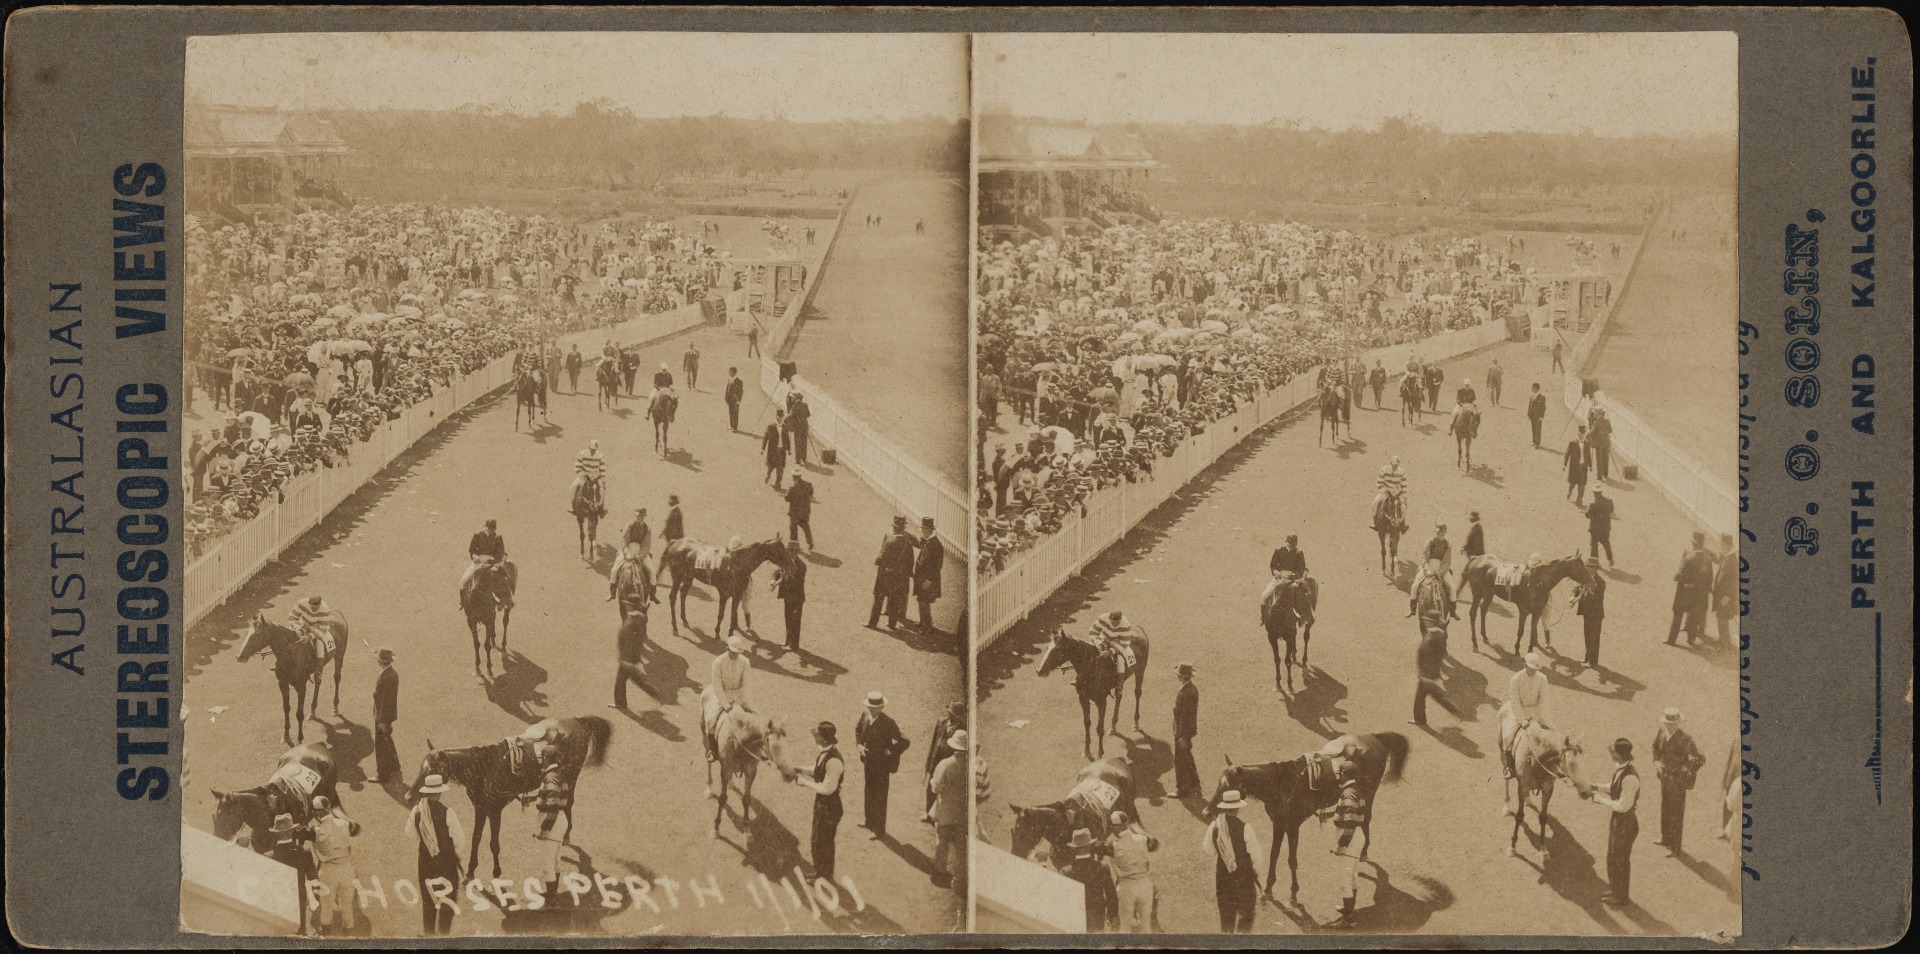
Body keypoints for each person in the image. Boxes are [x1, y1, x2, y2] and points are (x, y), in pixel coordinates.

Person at [406, 774, 465, 935]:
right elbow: (460, 841)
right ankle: (443, 936)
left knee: (428, 901)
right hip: (446, 864)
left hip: (425, 863)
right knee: (448, 901)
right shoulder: (448, 812)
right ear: (440, 792)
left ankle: (429, 935)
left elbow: (410, 834)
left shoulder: (417, 811)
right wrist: (455, 855)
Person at [1587, 738, 1640, 907]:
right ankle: (1615, 889)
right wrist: (1596, 786)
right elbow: (1613, 787)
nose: (1611, 755)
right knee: (1612, 856)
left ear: (1621, 755)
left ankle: (1621, 897)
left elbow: (1622, 806)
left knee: (1620, 860)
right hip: (1618, 821)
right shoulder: (1621, 769)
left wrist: (1601, 800)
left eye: (1614, 753)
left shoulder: (1630, 778)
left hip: (1625, 822)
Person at [791, 721, 845, 882]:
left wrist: (804, 782)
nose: (815, 737)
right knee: (816, 840)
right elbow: (817, 770)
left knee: (824, 843)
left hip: (830, 806)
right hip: (822, 805)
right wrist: (799, 769)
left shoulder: (834, 762)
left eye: (818, 735)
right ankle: (820, 872)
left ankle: (825, 876)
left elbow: (826, 789)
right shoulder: (825, 753)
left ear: (824, 739)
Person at [854, 692, 911, 840]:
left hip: (881, 766)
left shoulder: (889, 723)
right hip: (867, 762)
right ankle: (868, 821)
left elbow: (905, 741)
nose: (873, 710)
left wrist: (891, 751)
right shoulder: (864, 716)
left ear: (882, 707)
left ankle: (879, 830)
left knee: (879, 796)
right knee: (868, 790)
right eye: (871, 707)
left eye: (877, 707)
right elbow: (858, 731)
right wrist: (860, 746)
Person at [1204, 789, 1260, 933]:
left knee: (1226, 919)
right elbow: (1256, 856)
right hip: (1244, 880)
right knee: (1246, 917)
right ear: (1238, 808)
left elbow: (1209, 850)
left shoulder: (1215, 827)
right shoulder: (1246, 828)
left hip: (1223, 879)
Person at [1652, 707, 1705, 856]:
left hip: (1678, 781)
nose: (1671, 726)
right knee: (1665, 807)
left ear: (1679, 723)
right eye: (1668, 723)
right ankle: (1665, 838)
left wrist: (1686, 768)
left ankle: (1675, 847)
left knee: (1676, 813)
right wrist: (1656, 762)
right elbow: (1655, 748)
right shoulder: (1661, 732)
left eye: (1673, 724)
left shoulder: (1685, 739)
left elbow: (1699, 758)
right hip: (1664, 778)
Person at [610, 544, 657, 710]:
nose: (641, 516)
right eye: (639, 514)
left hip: (640, 554)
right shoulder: (630, 527)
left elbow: (647, 541)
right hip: (628, 553)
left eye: (642, 514)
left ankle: (654, 590)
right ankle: (612, 588)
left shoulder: (631, 622)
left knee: (651, 571)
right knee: (615, 569)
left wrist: (641, 554)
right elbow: (626, 539)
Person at [307, 795, 358, 936]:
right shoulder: (344, 823)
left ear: (317, 812)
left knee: (327, 905)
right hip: (347, 868)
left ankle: (327, 934)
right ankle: (349, 935)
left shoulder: (315, 831)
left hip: (328, 870)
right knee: (348, 905)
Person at [1327, 764, 1370, 929]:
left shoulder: (1347, 792)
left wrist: (1342, 845)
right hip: (1357, 836)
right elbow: (1350, 812)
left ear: (1344, 774)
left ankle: (1349, 919)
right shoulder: (1356, 789)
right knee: (1352, 875)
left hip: (1349, 837)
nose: (1338, 775)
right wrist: (1332, 814)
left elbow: (1350, 820)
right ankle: (1349, 908)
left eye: (1339, 773)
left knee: (1345, 878)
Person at [929, 729, 971, 890]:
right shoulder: (971, 766)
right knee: (961, 847)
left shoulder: (946, 764)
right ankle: (959, 879)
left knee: (942, 842)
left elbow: (936, 788)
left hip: (945, 810)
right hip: (963, 813)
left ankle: (940, 871)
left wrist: (933, 782)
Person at [263, 813, 317, 936]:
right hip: (300, 897)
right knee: (300, 929)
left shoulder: (269, 855)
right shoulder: (305, 851)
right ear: (292, 831)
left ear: (276, 834)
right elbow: (313, 878)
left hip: (278, 898)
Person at [1106, 809, 1156, 933]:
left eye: (1112, 827)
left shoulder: (1112, 845)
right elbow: (1155, 844)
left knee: (1125, 926)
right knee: (1145, 926)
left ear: (1116, 828)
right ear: (1126, 823)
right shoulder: (1143, 839)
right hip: (1145, 883)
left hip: (1127, 886)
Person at [1502, 652, 1551, 777]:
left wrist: (1542, 718)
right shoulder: (1515, 679)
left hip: (1536, 711)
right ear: (1524, 665)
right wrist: (1522, 720)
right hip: (1520, 711)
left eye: (1536, 669)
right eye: (1531, 668)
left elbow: (1544, 700)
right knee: (1508, 736)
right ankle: (1509, 767)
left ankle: (1556, 766)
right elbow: (1514, 701)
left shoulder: (1542, 678)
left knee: (1553, 732)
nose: (1534, 671)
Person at [1059, 828, 1113, 933]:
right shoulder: (1103, 867)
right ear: (1090, 846)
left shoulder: (1066, 871)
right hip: (1098, 915)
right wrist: (1112, 915)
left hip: (1075, 918)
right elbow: (1111, 894)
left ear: (1074, 849)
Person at [1668, 531, 1716, 646]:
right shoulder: (1707, 560)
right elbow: (1710, 578)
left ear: (1693, 544)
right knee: (1694, 616)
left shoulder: (1688, 557)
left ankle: (1671, 640)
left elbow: (1679, 575)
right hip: (1698, 594)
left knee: (1678, 615)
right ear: (1702, 545)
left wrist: (1676, 577)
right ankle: (1691, 640)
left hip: (1684, 592)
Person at [868, 515, 915, 631]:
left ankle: (872, 623)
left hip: (885, 575)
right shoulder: (907, 543)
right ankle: (892, 624)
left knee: (878, 599)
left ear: (894, 527)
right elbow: (910, 561)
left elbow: (880, 559)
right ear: (903, 528)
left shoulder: (889, 540)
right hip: (898, 577)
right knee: (894, 600)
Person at [924, 700, 967, 819]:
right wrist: (929, 762)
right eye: (949, 713)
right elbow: (933, 743)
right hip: (936, 760)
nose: (950, 716)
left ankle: (938, 815)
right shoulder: (941, 722)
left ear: (959, 716)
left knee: (944, 790)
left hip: (948, 763)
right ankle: (928, 813)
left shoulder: (963, 729)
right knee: (930, 788)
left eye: (954, 715)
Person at [1410, 625, 1457, 726]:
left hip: (1426, 676)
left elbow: (1427, 660)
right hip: (1428, 676)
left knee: (1420, 698)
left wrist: (1425, 675)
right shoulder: (1434, 642)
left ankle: (1420, 719)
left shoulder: (1430, 643)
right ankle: (1452, 709)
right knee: (1434, 695)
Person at [772, 539, 808, 651]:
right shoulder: (786, 561)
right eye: (788, 550)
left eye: (792, 551)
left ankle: (794, 646)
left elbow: (796, 582)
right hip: (788, 597)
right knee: (788, 619)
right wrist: (774, 579)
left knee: (795, 622)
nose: (790, 553)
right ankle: (788, 641)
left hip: (796, 598)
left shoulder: (801, 565)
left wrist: (783, 578)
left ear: (796, 552)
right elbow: (777, 571)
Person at [371, 648, 400, 782]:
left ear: (381, 662)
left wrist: (381, 721)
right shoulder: (391, 673)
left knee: (381, 744)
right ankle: (395, 766)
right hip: (387, 716)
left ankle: (383, 774)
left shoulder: (386, 677)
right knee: (387, 739)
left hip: (382, 718)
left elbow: (384, 700)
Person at [1172, 663, 1201, 797]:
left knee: (1180, 760)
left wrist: (1181, 736)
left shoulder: (1187, 692)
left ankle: (1182, 789)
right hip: (1184, 731)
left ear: (1181, 677)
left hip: (1182, 732)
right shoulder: (1190, 689)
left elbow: (1185, 716)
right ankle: (1194, 782)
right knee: (1187, 756)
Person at [1575, 557, 1609, 671]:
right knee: (1587, 636)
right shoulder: (1585, 578)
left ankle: (1592, 662)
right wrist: (1573, 596)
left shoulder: (1600, 582)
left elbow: (1598, 599)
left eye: (1589, 567)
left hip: (1595, 615)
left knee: (1594, 638)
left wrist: (1587, 590)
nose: (1587, 569)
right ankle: (1587, 658)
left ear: (1594, 568)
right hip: (1587, 613)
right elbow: (1576, 588)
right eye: (1587, 567)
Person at [912, 517, 945, 632]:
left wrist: (929, 581)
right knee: (921, 600)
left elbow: (937, 566)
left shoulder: (936, 545)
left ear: (928, 530)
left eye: (923, 529)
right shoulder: (927, 541)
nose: (921, 531)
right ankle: (923, 622)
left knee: (924, 602)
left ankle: (927, 626)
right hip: (922, 577)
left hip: (928, 580)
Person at [1712, 533, 1740, 648]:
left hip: (1725, 598)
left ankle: (1725, 644)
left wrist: (1727, 597)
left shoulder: (1733, 560)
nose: (1720, 546)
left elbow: (1734, 582)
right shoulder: (1727, 556)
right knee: (1721, 618)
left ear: (1728, 546)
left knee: (1722, 620)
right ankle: (1722, 640)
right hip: (1721, 595)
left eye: (1722, 544)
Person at [785, 471, 816, 549]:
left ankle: (794, 545)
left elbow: (786, 498)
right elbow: (811, 493)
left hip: (795, 512)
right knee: (805, 526)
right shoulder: (808, 485)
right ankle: (810, 542)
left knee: (793, 528)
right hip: (805, 512)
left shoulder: (792, 487)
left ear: (794, 477)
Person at [1587, 488, 1616, 566]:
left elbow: (1588, 515)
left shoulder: (1593, 504)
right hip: (1606, 527)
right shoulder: (1609, 501)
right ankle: (1610, 559)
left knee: (1594, 545)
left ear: (1595, 493)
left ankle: (1595, 562)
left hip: (1595, 528)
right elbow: (1611, 510)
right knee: (1606, 543)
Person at [1565, 424, 1591, 505]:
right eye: (1581, 434)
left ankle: (1579, 500)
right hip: (1575, 466)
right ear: (1578, 433)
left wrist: (1590, 465)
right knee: (1573, 483)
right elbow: (1567, 454)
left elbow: (1588, 454)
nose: (1583, 435)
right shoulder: (1572, 442)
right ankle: (1570, 491)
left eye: (1584, 434)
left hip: (1583, 466)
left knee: (1582, 484)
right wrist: (1564, 465)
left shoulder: (1587, 443)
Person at [763, 410, 789, 489]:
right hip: (773, 451)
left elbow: (787, 438)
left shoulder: (785, 426)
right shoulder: (771, 426)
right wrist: (762, 448)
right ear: (776, 417)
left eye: (782, 417)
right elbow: (765, 437)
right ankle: (768, 476)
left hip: (782, 451)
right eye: (779, 417)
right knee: (771, 467)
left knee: (780, 469)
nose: (781, 419)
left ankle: (778, 483)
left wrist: (789, 449)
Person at [1588, 406, 1614, 480]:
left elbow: (1592, 432)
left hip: (1599, 443)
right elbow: (1610, 430)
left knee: (1599, 460)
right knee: (1606, 459)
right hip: (1606, 442)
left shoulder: (1596, 422)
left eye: (1595, 413)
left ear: (1598, 414)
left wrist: (1587, 435)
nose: (1594, 415)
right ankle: (1605, 475)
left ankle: (1599, 477)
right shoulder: (1607, 420)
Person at [786, 393, 812, 466]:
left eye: (792, 397)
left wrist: (785, 420)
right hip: (805, 427)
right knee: (804, 443)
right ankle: (804, 459)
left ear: (796, 398)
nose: (791, 398)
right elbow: (808, 414)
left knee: (798, 444)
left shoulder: (794, 407)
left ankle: (798, 460)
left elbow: (789, 416)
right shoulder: (805, 405)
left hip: (797, 428)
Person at [1526, 383, 1548, 448]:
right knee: (1533, 429)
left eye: (1533, 388)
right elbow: (1530, 406)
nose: (1532, 389)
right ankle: (1534, 442)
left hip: (1538, 417)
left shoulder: (1542, 397)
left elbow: (1543, 408)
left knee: (1538, 430)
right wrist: (1528, 414)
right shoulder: (1532, 396)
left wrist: (1541, 416)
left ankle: (1537, 444)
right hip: (1532, 416)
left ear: (1537, 389)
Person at [724, 367, 745, 432]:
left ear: (734, 373)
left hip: (735, 400)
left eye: (730, 372)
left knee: (735, 414)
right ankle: (731, 426)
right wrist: (726, 399)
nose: (729, 373)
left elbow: (741, 391)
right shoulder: (729, 379)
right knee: (730, 413)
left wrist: (738, 400)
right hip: (730, 399)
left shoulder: (739, 381)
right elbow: (727, 390)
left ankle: (735, 428)